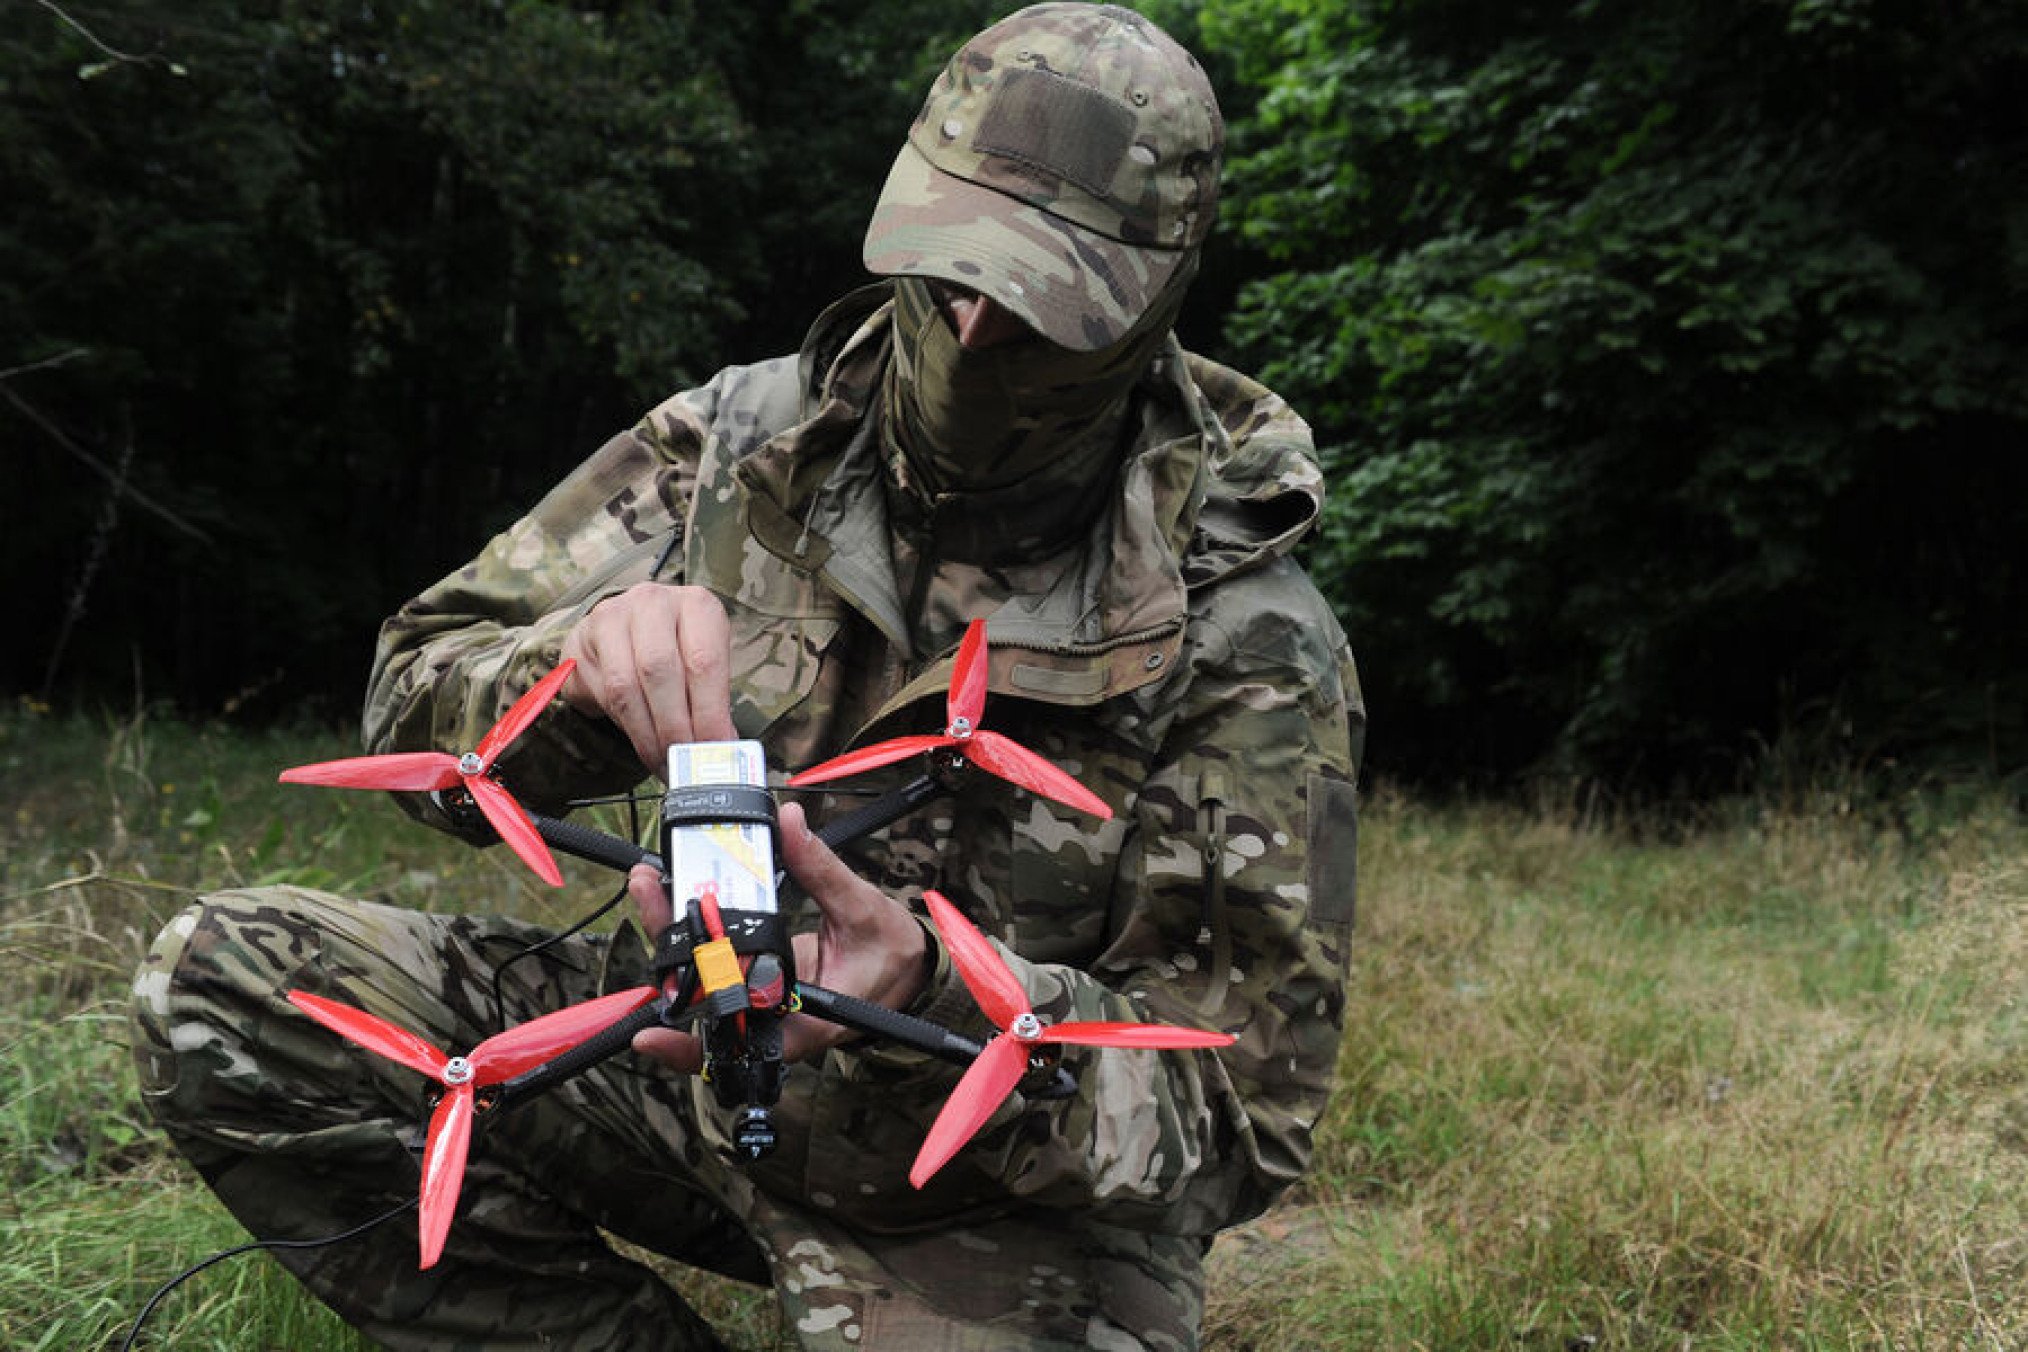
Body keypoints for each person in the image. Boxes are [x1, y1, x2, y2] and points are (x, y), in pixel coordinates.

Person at [131, 4, 1364, 1348]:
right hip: (661, 1066)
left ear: (1157, 299)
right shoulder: (732, 448)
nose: (970, 329)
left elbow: (1238, 1119)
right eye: (947, 268)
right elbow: (409, 697)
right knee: (227, 986)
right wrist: (569, 675)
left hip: (974, 1199)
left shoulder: (1240, 629)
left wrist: (952, 1011)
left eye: (1037, 302)